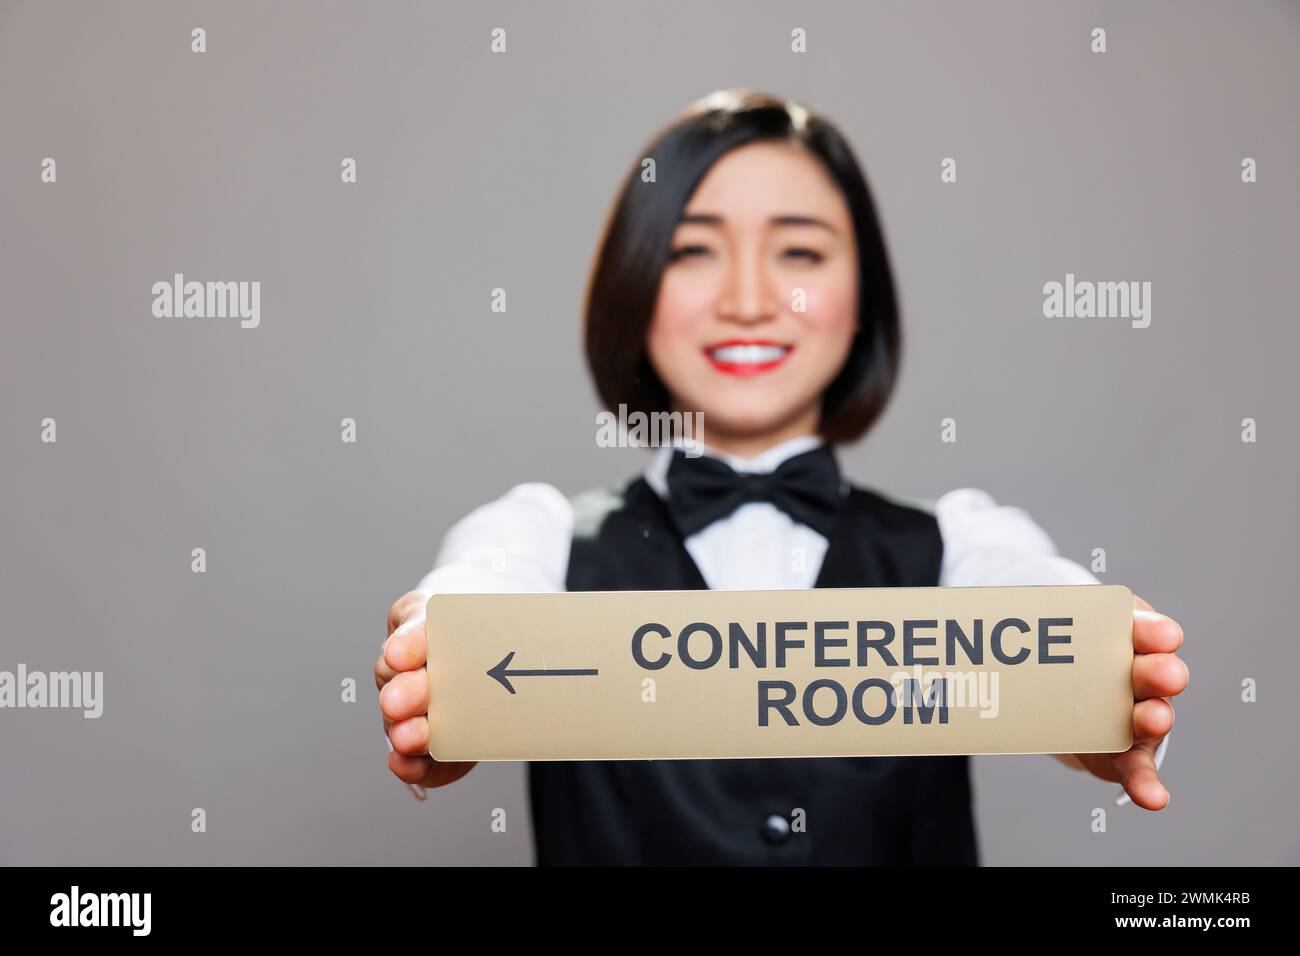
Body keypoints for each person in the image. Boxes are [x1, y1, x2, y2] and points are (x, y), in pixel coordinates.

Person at [375, 89, 1189, 865]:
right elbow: (479, 590)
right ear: (634, 283)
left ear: (861, 293)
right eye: (694, 250)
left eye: (799, 251)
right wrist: (448, 678)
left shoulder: (961, 543)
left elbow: (1037, 597)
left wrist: (1100, 678)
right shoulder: (540, 535)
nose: (751, 299)